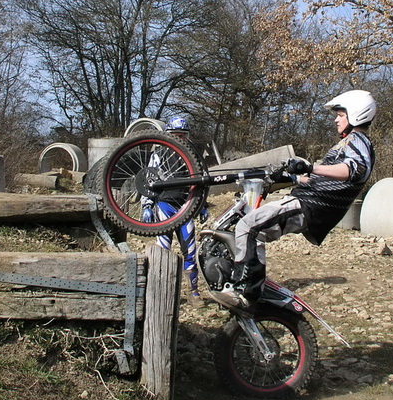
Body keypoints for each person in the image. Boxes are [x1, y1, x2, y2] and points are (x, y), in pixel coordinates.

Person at [210, 90, 376, 313]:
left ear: (356, 113)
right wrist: (293, 177)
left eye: (340, 114)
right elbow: (320, 178)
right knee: (242, 222)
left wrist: (310, 166)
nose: (336, 119)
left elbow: (356, 171)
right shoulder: (349, 143)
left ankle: (246, 292)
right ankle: (235, 278)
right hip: (307, 199)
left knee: (249, 226)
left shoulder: (358, 141)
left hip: (310, 205)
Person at [141, 116, 207, 307]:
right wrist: (146, 205)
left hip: (186, 206)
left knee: (190, 249)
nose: (179, 139)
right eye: (175, 135)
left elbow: (200, 183)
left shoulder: (192, 155)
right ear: (168, 135)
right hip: (164, 204)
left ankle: (194, 292)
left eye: (182, 135)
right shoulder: (159, 154)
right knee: (163, 251)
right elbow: (149, 180)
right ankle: (161, 292)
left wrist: (202, 205)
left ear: (187, 137)